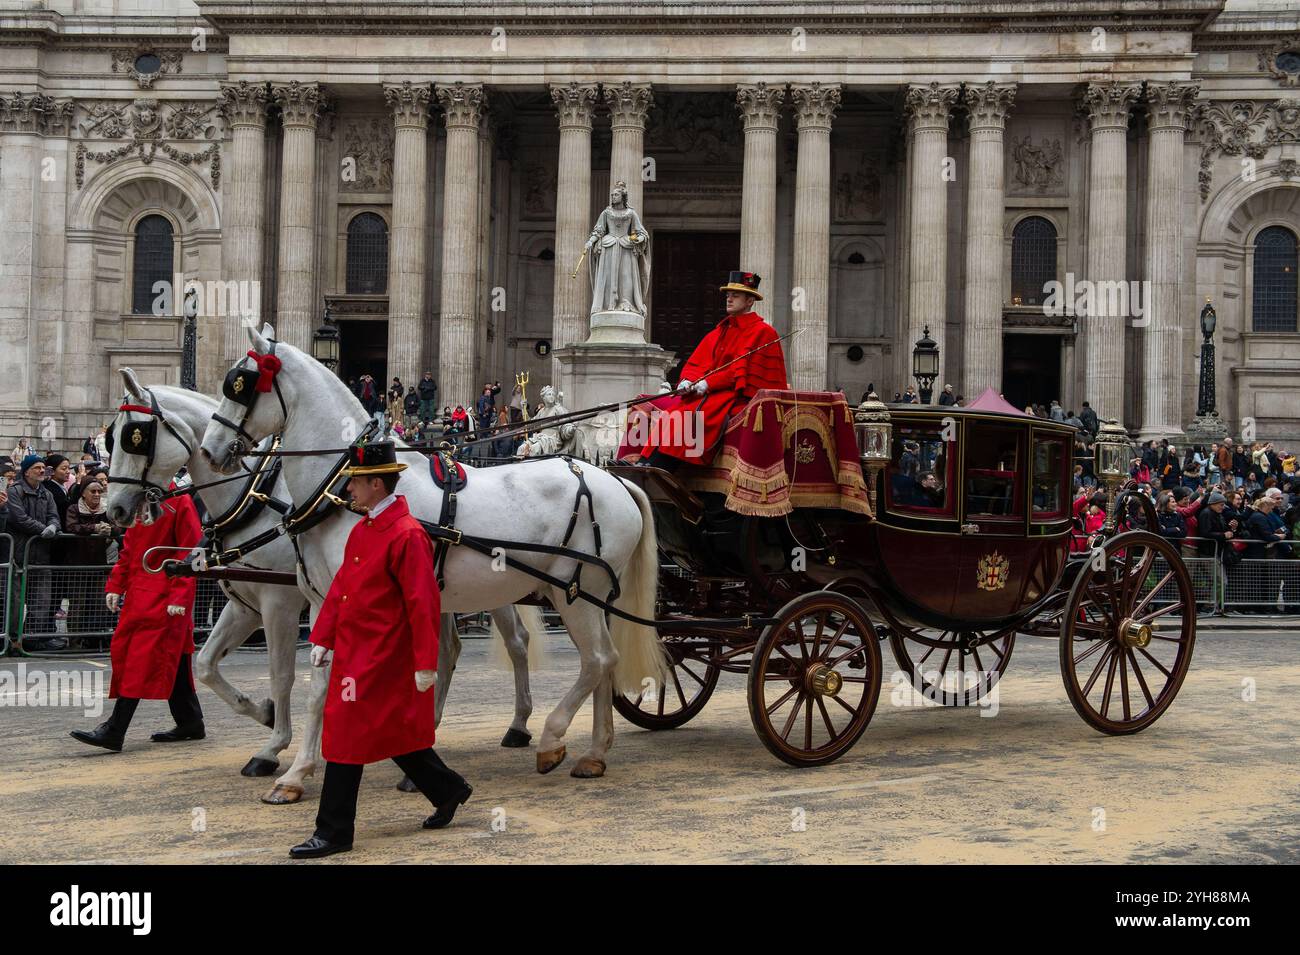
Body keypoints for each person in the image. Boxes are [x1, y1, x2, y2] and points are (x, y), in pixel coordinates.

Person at [290, 439, 470, 859]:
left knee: (345, 734)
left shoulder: (407, 535)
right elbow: (342, 590)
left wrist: (426, 663)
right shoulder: (366, 528)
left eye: (354, 483)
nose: (348, 491)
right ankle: (449, 789)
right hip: (358, 650)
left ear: (375, 484)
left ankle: (334, 831)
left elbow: (424, 604)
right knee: (392, 732)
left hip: (384, 656)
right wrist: (324, 637)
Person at [69, 484, 204, 751]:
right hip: (141, 593)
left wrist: (179, 596)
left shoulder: (179, 500)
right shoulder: (138, 499)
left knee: (139, 660)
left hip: (165, 593)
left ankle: (115, 729)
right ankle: (190, 721)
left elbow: (190, 550)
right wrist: (116, 584)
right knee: (170, 658)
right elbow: (129, 548)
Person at [637, 270, 787, 471]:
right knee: (669, 410)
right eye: (727, 295)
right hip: (711, 393)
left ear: (750, 300)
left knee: (688, 414)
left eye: (735, 295)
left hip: (737, 395)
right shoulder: (720, 330)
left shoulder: (763, 332)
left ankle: (660, 465)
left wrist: (707, 384)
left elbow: (740, 372)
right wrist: (687, 381)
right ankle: (646, 461)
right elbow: (698, 363)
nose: (729, 299)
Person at [7, 454, 61, 641]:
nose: (41, 471)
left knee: (41, 601)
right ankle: (13, 638)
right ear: (27, 471)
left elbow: (54, 515)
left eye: (43, 468)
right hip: (18, 554)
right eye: (37, 468)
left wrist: (53, 526)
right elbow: (18, 518)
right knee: (14, 601)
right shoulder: (15, 491)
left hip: (41, 555)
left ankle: (32, 639)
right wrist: (42, 529)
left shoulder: (47, 493)